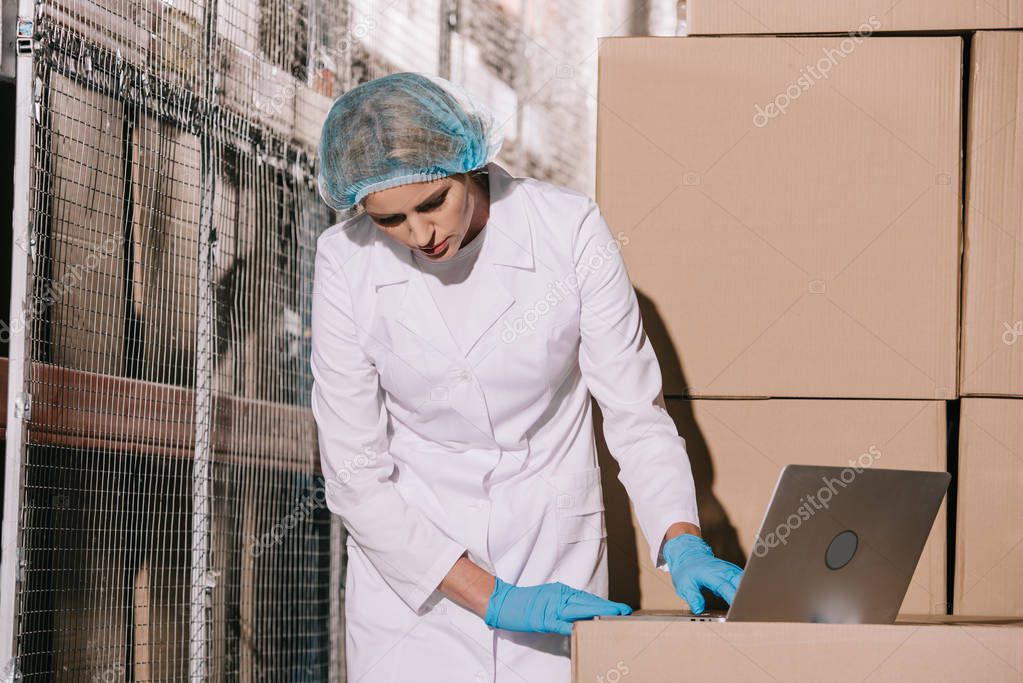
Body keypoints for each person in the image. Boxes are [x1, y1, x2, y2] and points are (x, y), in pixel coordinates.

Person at [311, 71, 743, 683]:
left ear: (471, 164)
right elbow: (355, 474)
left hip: (549, 550)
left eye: (434, 202)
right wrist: (493, 598)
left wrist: (680, 538)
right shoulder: (344, 261)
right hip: (415, 575)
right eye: (390, 220)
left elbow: (634, 414)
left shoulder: (567, 231)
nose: (419, 235)